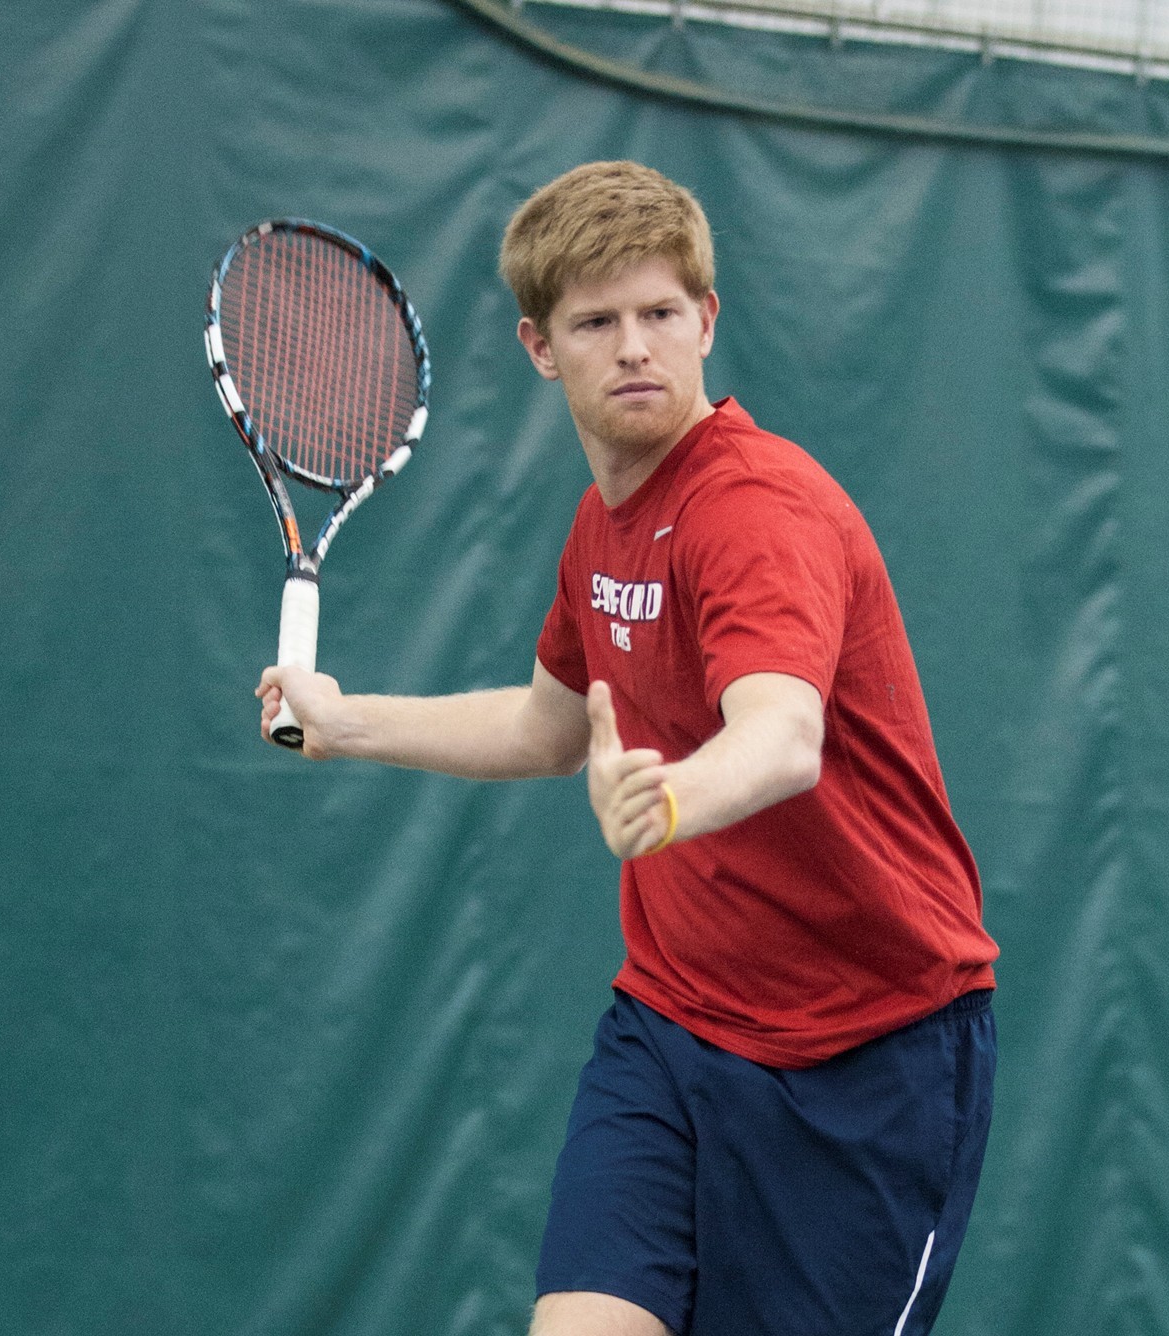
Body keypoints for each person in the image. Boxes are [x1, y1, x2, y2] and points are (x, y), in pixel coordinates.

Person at [257, 160, 999, 1336]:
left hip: (868, 1057)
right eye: (596, 322)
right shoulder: (603, 522)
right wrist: (344, 721)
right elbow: (549, 726)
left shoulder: (757, 511)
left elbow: (781, 734)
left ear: (707, 321)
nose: (634, 346)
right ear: (542, 348)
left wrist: (669, 801)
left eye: (660, 313)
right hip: (673, 1026)